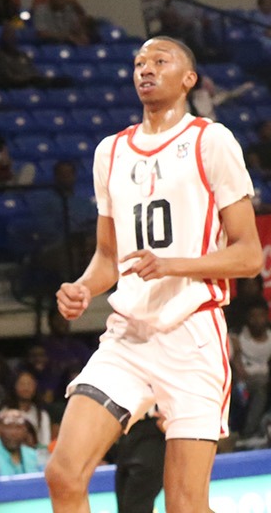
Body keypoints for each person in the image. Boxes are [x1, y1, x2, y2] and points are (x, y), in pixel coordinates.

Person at [45, 36, 261, 513]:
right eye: (139, 62)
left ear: (189, 79)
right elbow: (108, 258)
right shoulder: (111, 152)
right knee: (63, 474)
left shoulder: (210, 140)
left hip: (192, 335)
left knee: (184, 505)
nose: (146, 68)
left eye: (160, 61)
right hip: (128, 335)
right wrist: (82, 287)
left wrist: (173, 263)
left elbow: (249, 256)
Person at [233, 298, 271, 439]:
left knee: (263, 387)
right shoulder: (237, 337)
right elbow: (235, 362)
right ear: (247, 318)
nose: (257, 320)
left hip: (264, 381)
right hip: (241, 384)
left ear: (266, 316)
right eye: (253, 316)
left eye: (260, 316)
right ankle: (246, 434)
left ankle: (259, 431)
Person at [0, 409, 45, 478]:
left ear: (25, 431)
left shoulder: (35, 457)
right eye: (9, 428)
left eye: (18, 428)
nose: (13, 433)